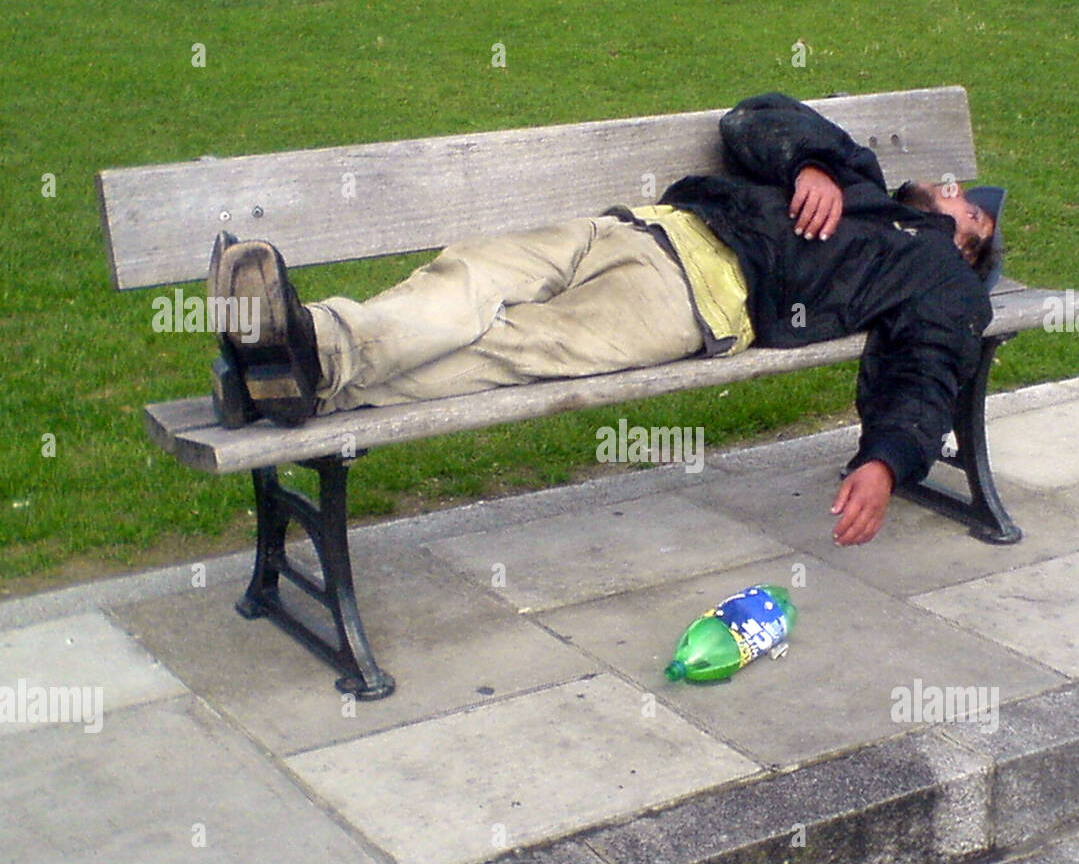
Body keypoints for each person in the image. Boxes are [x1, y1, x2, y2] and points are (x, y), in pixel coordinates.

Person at [209, 92, 1000, 547]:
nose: (953, 190)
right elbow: (750, 118)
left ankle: (291, 369)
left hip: (693, 299)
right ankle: (313, 347)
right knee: (469, 276)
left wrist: (888, 460)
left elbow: (928, 366)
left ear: (970, 246)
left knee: (505, 350)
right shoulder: (857, 176)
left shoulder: (938, 277)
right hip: (634, 226)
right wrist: (812, 163)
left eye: (968, 205)